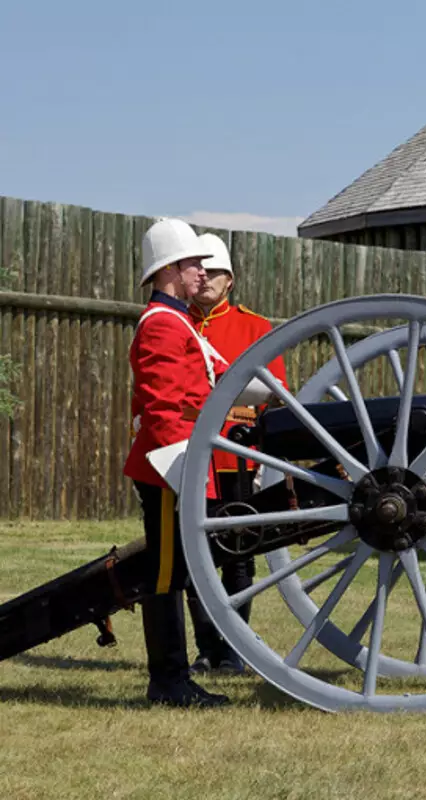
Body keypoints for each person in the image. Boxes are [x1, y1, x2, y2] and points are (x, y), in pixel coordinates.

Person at [124, 218, 231, 708]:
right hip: (170, 465)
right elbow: (162, 406)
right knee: (164, 576)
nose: (200, 272)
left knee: (177, 572)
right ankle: (167, 680)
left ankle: (175, 676)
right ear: (170, 268)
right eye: (192, 262)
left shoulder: (178, 320)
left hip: (184, 459)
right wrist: (182, 474)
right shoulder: (162, 324)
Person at [184, 233, 288, 675]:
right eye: (200, 272)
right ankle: (206, 649)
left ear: (232, 281)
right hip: (190, 457)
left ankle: (234, 648)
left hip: (236, 456)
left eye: (216, 273)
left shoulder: (254, 327)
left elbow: (274, 392)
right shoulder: (180, 323)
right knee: (195, 556)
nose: (206, 279)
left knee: (238, 555)